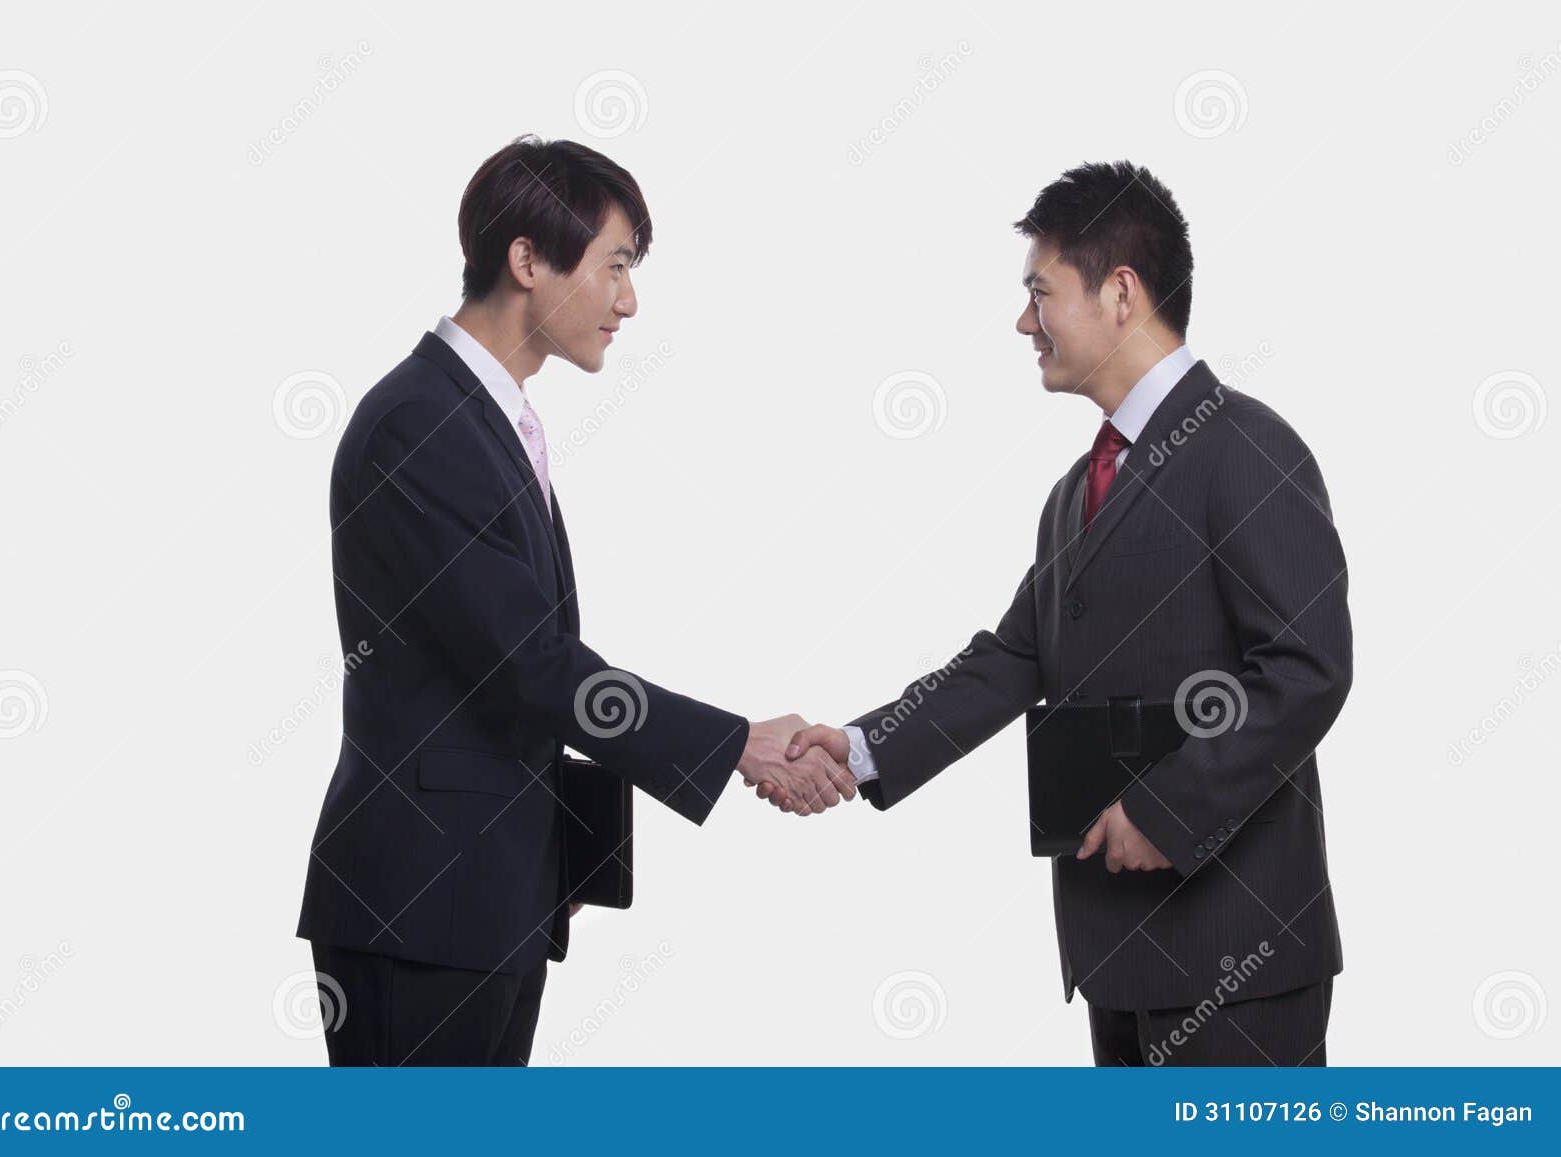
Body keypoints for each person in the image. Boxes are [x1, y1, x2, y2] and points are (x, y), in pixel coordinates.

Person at [295, 135, 854, 1067]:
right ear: (526, 259)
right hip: (418, 908)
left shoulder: (485, 415)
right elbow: (527, 664)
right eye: (615, 266)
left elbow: (487, 672)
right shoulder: (420, 424)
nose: (628, 299)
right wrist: (735, 743)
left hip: (481, 897)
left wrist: (566, 849)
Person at [782, 161, 1352, 1067]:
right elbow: (1011, 658)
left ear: (1121, 292)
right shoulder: (1072, 494)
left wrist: (1167, 810)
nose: (1022, 322)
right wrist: (856, 748)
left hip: (1234, 956)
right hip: (1119, 952)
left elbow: (1306, 668)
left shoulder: (1246, 444)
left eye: (1039, 293)